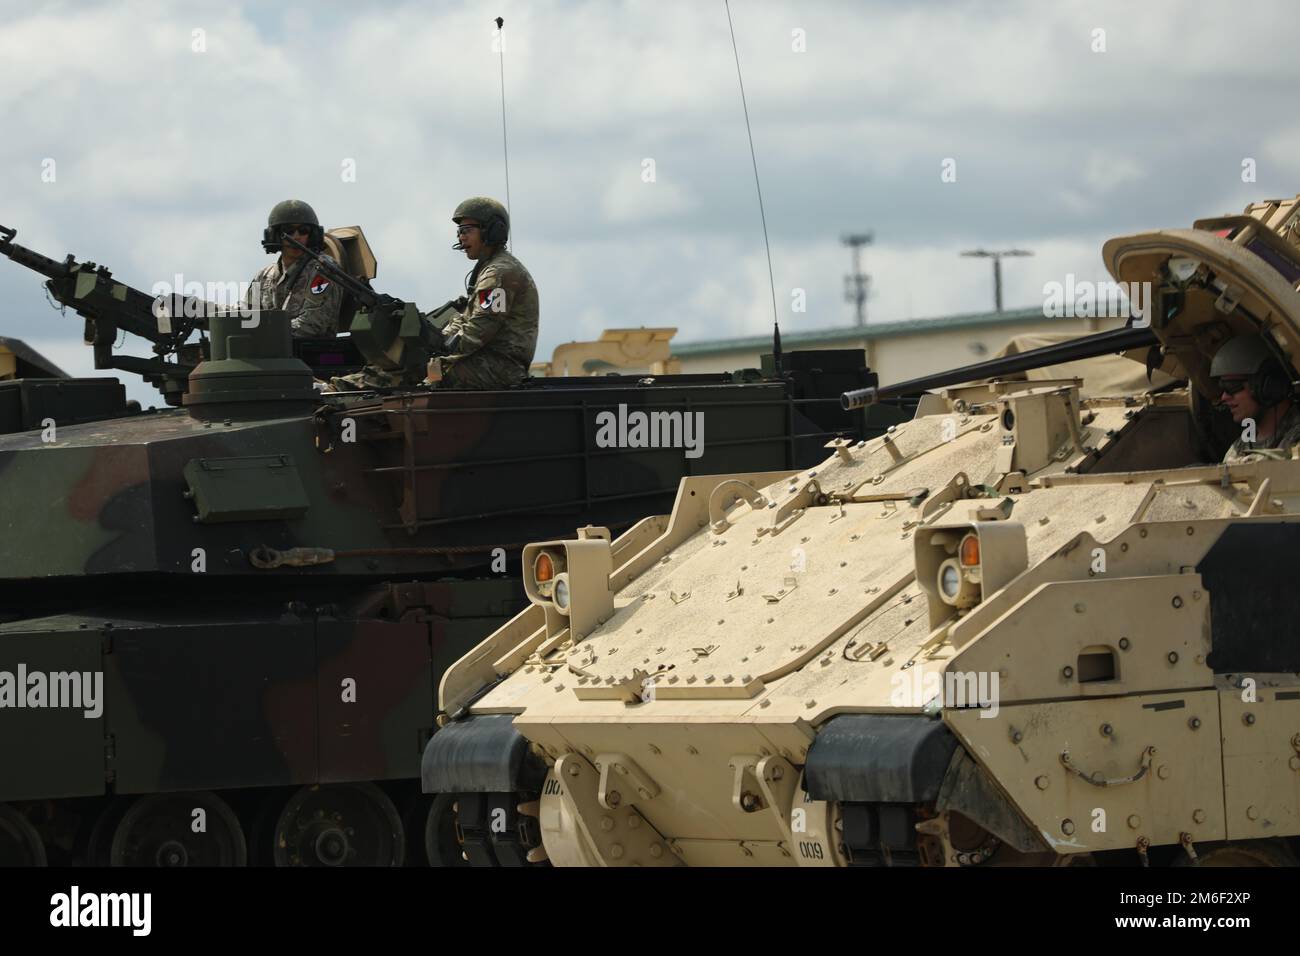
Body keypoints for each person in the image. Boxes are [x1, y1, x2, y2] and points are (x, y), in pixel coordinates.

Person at [426, 196, 539, 389]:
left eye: (467, 230)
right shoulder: (487, 269)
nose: (461, 237)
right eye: (459, 231)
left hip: (500, 366)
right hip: (485, 361)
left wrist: (440, 352)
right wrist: (437, 341)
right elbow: (466, 319)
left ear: (492, 231)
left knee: (430, 378)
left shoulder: (499, 274)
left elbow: (481, 327)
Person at [250, 200, 343, 338]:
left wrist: (265, 334)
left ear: (312, 235)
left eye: (303, 230)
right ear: (274, 235)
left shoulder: (323, 270)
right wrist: (214, 311)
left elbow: (312, 324)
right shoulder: (264, 276)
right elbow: (246, 313)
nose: (296, 236)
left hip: (312, 350)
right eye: (289, 231)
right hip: (272, 349)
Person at [1211, 333, 1300, 462]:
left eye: (1232, 386)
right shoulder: (1240, 448)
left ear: (1268, 386)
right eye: (1222, 387)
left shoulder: (1296, 439)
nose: (1224, 397)